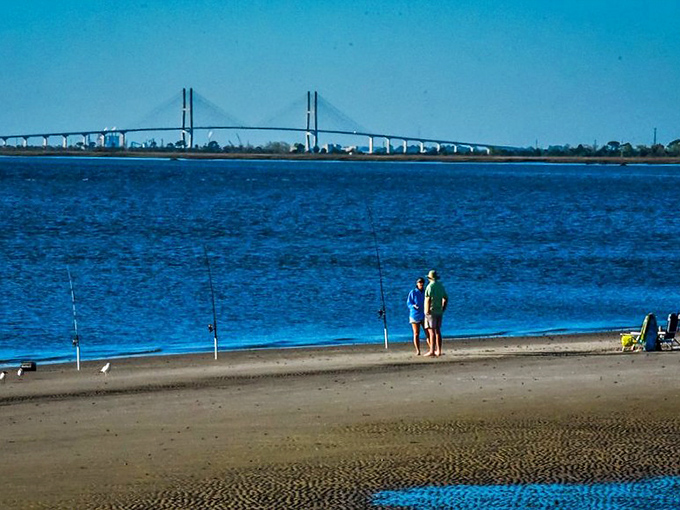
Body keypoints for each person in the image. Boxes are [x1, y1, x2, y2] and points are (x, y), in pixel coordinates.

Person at [424, 269, 448, 357]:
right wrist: (443, 308)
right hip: (439, 311)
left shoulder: (430, 286)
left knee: (431, 331)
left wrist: (427, 311)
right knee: (438, 331)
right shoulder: (440, 286)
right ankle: (439, 350)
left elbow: (428, 299)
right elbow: (445, 298)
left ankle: (432, 351)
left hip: (431, 311)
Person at [406, 277, 426, 355]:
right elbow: (409, 303)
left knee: (427, 332)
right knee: (416, 333)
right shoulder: (413, 292)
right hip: (415, 315)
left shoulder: (425, 292)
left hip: (424, 314)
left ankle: (432, 348)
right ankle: (418, 350)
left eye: (422, 282)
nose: (421, 284)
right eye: (419, 282)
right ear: (417, 284)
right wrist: (413, 306)